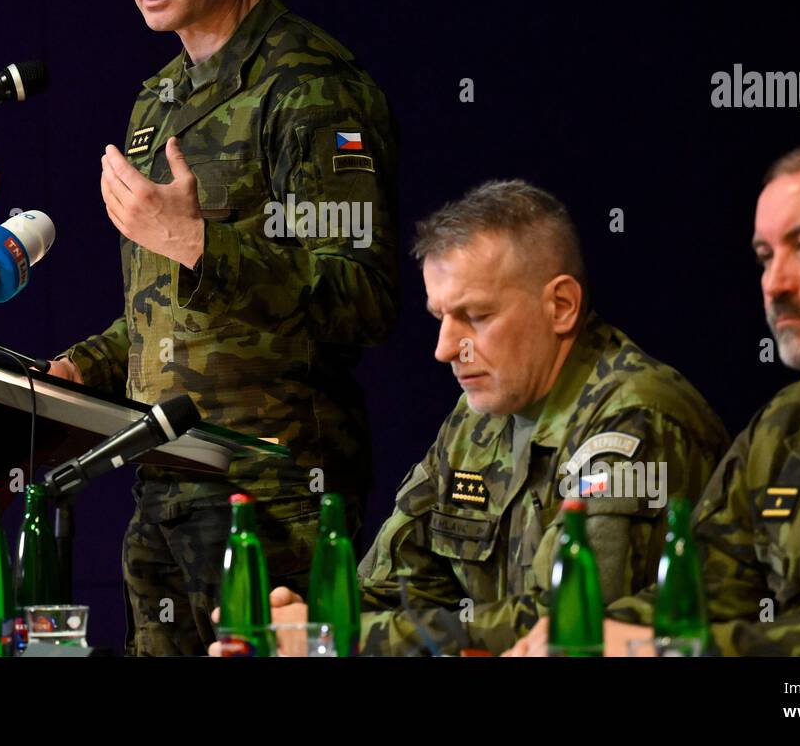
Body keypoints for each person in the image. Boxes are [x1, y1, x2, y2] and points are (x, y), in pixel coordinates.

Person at [45, 0, 398, 656]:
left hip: (276, 499)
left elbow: (363, 297)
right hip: (164, 481)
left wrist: (203, 242)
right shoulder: (157, 102)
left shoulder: (311, 90)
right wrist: (71, 375)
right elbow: (169, 313)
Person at [213, 179, 727, 655]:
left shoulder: (637, 421)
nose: (443, 349)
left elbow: (569, 629)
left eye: (476, 316)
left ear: (562, 306)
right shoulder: (479, 413)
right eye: (440, 318)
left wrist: (348, 639)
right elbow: (399, 586)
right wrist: (309, 624)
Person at [508, 136, 800, 656]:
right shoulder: (789, 423)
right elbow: (702, 587)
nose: (775, 283)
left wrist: (670, 649)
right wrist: (583, 637)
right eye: (766, 256)